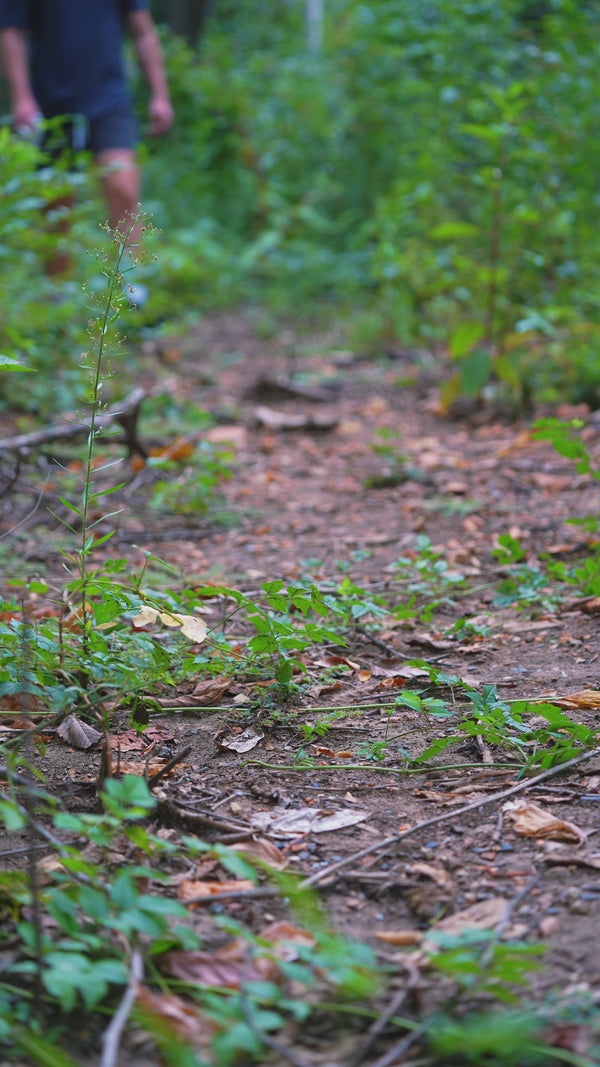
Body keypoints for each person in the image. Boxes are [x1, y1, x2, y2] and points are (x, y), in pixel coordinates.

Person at [0, 0, 174, 295]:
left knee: (123, 186)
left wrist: (160, 95)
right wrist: (21, 97)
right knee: (56, 207)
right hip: (49, 105)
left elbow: (143, 31)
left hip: (110, 99)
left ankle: (132, 292)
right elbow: (10, 31)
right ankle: (58, 296)